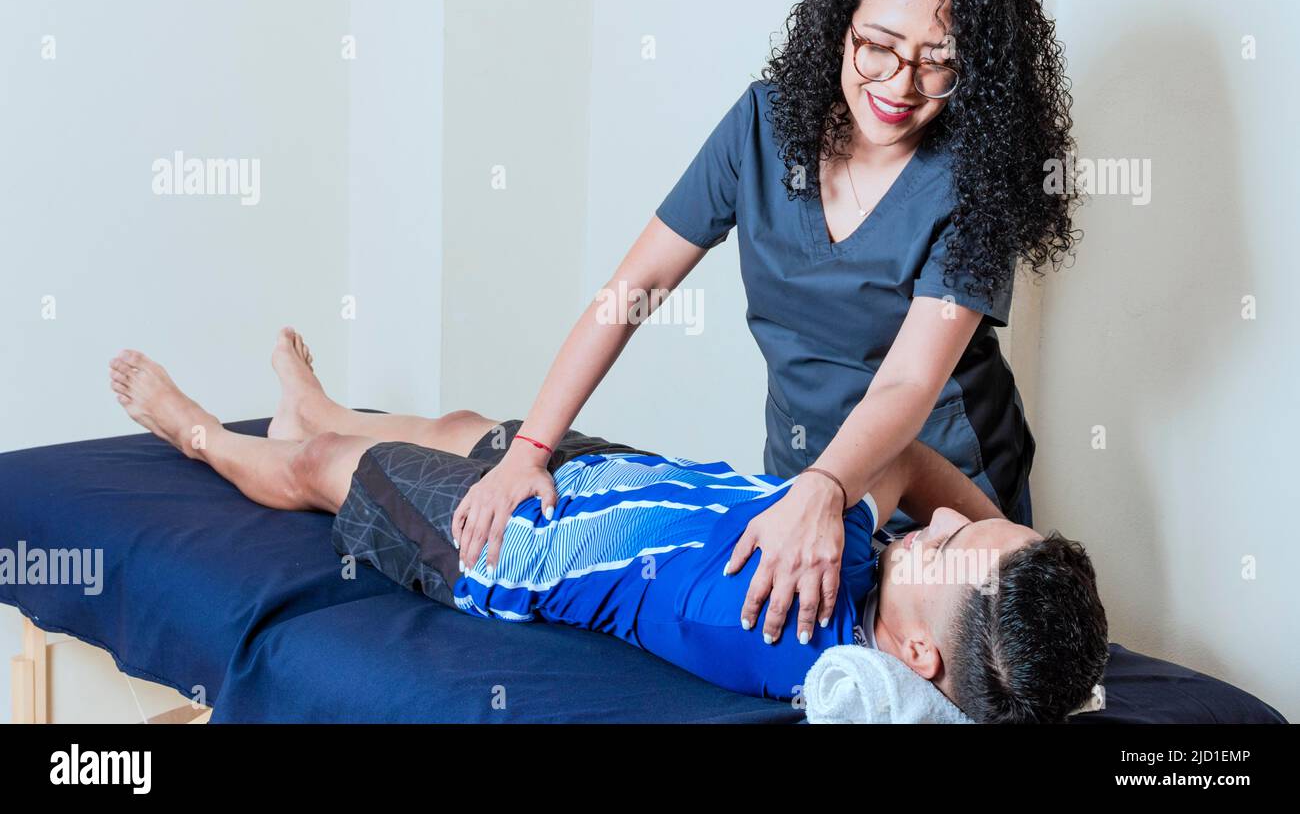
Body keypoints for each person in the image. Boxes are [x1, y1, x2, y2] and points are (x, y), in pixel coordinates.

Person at [452, 0, 1082, 646]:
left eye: (938, 61)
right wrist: (528, 452)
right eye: (877, 47)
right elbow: (632, 291)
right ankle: (321, 418)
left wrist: (828, 488)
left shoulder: (975, 181)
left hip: (943, 498)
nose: (900, 84)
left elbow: (907, 384)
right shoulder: (762, 125)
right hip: (800, 479)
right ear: (840, 23)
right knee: (481, 443)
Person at [108, 330, 1108, 722]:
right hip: (609, 474)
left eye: (944, 545)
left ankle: (197, 429)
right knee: (466, 426)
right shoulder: (868, 559)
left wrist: (856, 499)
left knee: (328, 472)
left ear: (920, 651)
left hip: (509, 545)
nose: (933, 521)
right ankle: (320, 400)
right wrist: (988, 534)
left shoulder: (804, 612)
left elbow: (897, 462)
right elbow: (908, 463)